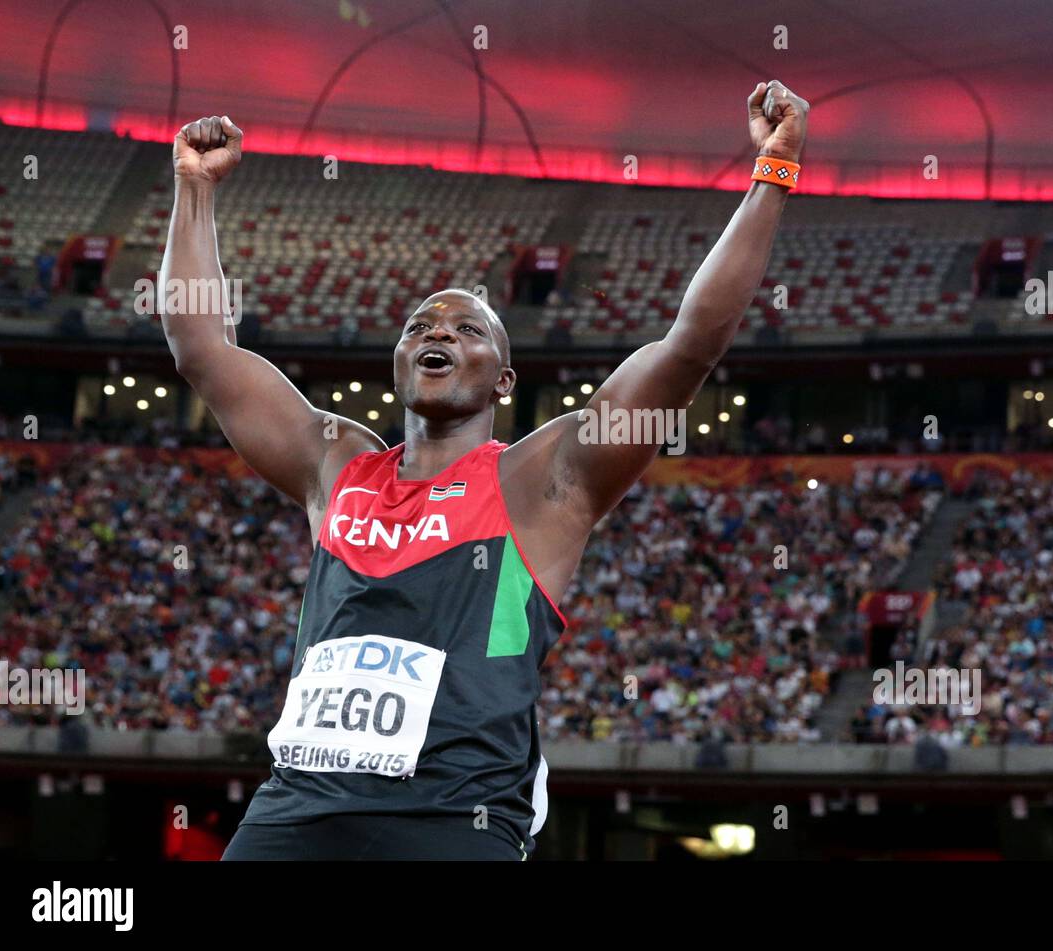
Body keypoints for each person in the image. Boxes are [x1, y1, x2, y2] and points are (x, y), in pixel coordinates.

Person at [160, 81, 809, 860]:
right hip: (298, 809)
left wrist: (773, 174)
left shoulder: (545, 477)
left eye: (467, 328)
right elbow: (203, 351)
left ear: (504, 380)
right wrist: (193, 190)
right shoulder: (337, 463)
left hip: (454, 821)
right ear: (399, 361)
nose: (437, 331)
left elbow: (689, 346)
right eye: (418, 326)